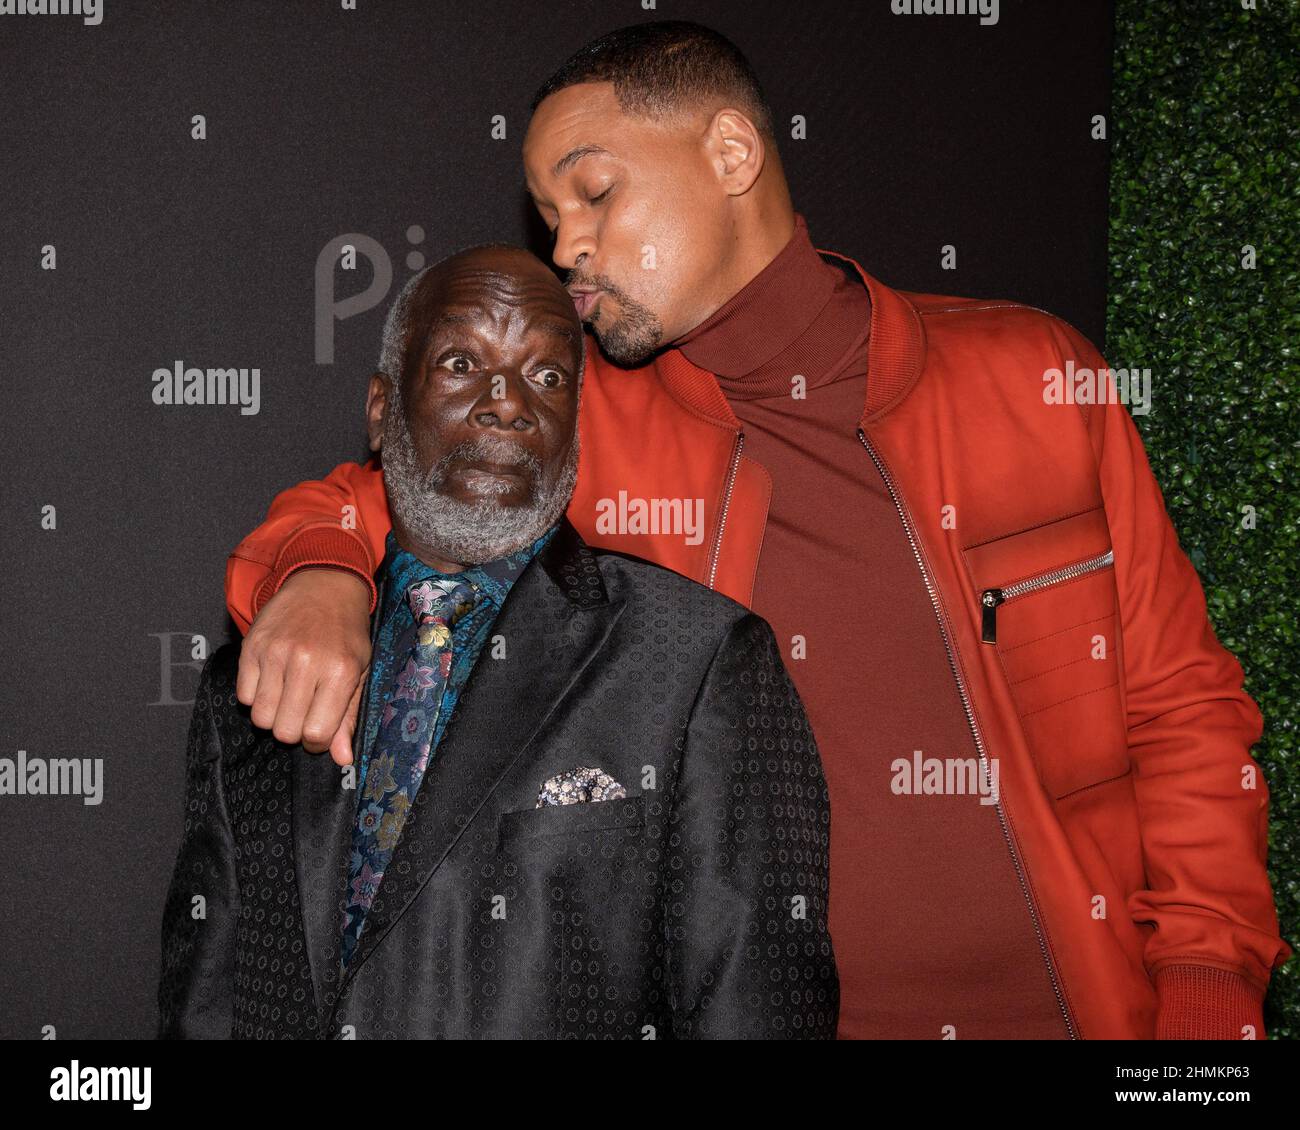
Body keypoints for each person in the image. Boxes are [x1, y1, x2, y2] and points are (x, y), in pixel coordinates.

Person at [222, 22, 1290, 1038]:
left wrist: (1206, 986)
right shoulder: (582, 425)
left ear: (731, 152)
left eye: (593, 192)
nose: (568, 248)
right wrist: (321, 576)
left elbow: (1183, 712)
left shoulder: (1034, 375)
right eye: (549, 218)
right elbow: (354, 498)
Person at [157, 243, 838, 1039]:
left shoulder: (696, 662)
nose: (507, 403)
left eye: (547, 377)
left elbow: (755, 1012)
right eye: (459, 363)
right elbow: (205, 1005)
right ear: (382, 410)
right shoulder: (255, 680)